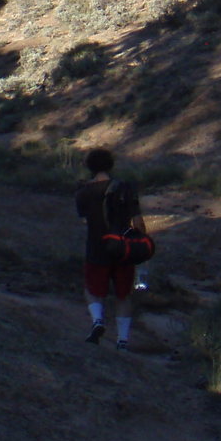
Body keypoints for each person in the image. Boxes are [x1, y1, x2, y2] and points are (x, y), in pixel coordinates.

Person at [75, 147, 142, 350]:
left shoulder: (83, 193)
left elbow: (86, 221)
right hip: (123, 248)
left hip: (96, 247)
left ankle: (98, 321)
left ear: (89, 167)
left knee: (93, 289)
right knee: (124, 295)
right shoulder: (125, 188)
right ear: (110, 165)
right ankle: (122, 340)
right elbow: (137, 222)